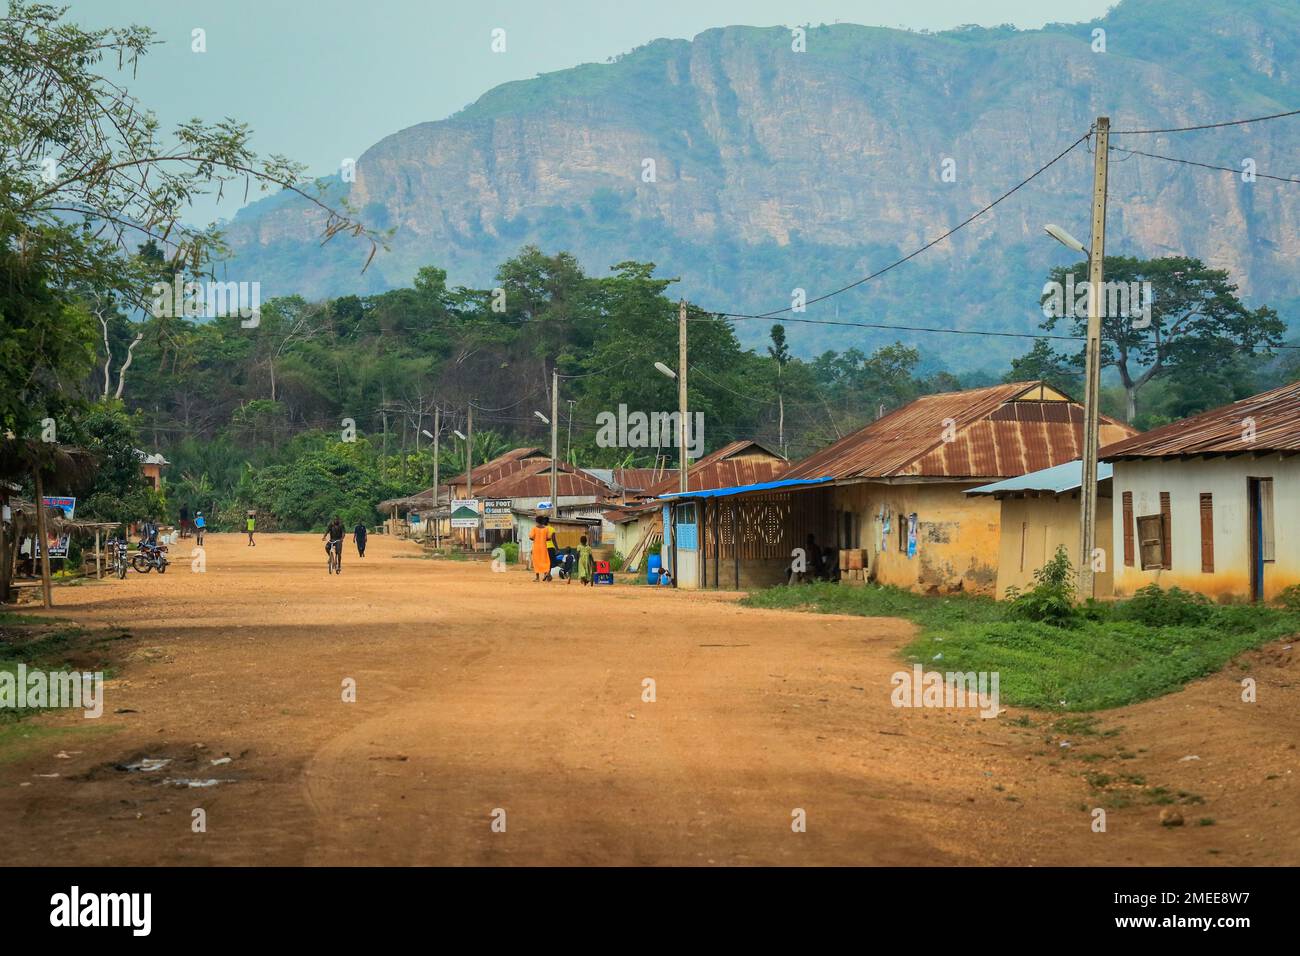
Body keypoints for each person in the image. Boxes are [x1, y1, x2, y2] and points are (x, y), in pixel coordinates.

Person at [528, 514, 551, 582]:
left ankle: (537, 578)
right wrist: (543, 539)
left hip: (536, 547)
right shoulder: (546, 529)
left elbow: (531, 537)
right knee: (544, 561)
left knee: (536, 562)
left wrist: (536, 538)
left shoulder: (534, 528)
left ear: (537, 521)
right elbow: (549, 538)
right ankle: (546, 573)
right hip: (544, 548)